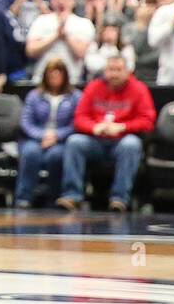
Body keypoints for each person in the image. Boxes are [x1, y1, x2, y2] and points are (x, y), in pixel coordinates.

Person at [58, 53, 155, 212]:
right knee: (74, 142)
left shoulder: (139, 89)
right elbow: (80, 117)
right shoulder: (93, 87)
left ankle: (119, 198)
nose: (114, 74)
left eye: (118, 70)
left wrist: (122, 127)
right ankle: (72, 196)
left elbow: (147, 121)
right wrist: (95, 127)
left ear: (127, 71)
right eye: (111, 70)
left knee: (131, 144)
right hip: (96, 140)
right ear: (105, 71)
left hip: (122, 140)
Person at [15, 58, 80, 208]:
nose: (54, 77)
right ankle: (23, 197)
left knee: (56, 156)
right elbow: (26, 122)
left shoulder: (75, 96)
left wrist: (56, 136)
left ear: (65, 76)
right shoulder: (34, 95)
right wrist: (42, 135)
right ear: (45, 76)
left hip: (61, 140)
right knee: (30, 153)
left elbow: (75, 123)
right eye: (51, 74)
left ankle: (55, 197)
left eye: (58, 74)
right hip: (36, 138)